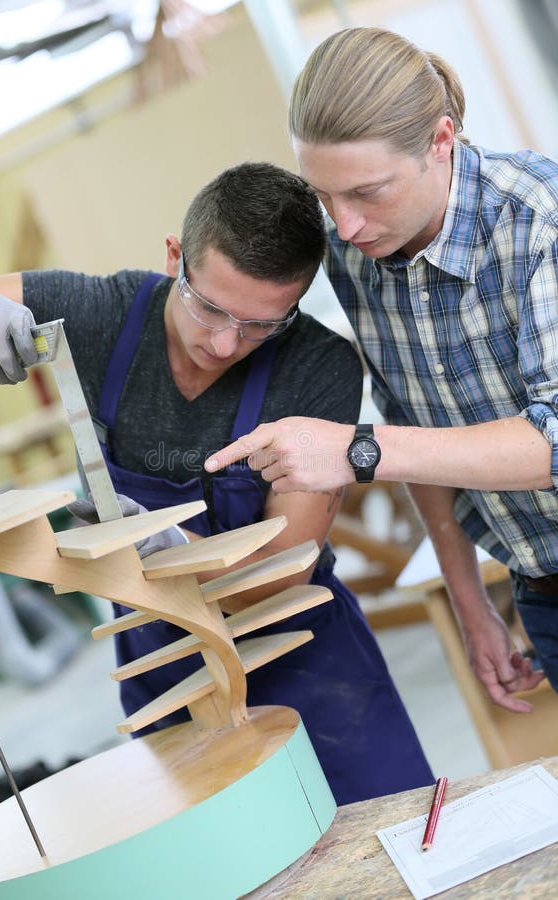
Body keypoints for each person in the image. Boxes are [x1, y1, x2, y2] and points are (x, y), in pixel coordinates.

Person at [0, 161, 434, 805]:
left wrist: (175, 552)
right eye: (211, 308)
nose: (227, 342)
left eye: (262, 323)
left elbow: (282, 574)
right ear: (174, 256)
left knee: (388, 834)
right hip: (163, 659)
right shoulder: (106, 314)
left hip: (305, 664)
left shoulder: (316, 366)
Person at [205, 27, 558, 715]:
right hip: (537, 580)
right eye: (325, 196)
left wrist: (355, 449)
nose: (345, 227)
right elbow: (412, 416)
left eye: (367, 192)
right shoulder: (357, 248)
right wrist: (468, 594)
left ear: (440, 141)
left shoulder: (538, 223)